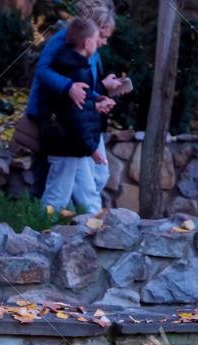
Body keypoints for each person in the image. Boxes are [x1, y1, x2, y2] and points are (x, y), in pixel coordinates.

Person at [22, 1, 127, 197]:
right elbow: (43, 71)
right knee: (49, 180)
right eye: (102, 37)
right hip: (54, 118)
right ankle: (40, 223)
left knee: (87, 180)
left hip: (79, 118)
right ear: (92, 31)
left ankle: (73, 218)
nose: (103, 42)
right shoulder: (64, 40)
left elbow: (85, 85)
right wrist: (68, 87)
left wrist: (100, 93)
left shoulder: (91, 50)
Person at [38, 18, 108, 214]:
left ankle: (95, 231)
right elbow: (76, 117)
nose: (99, 44)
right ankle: (43, 234)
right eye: (97, 39)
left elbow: (83, 109)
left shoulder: (75, 68)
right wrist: (92, 148)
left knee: (88, 192)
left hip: (74, 147)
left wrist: (97, 100)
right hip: (66, 145)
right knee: (57, 195)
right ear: (87, 43)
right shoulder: (74, 71)